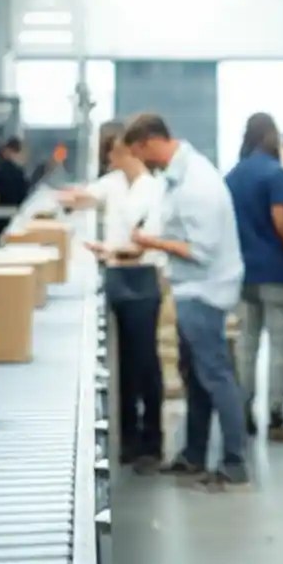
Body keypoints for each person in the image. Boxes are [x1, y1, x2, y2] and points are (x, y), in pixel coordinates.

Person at [123, 113, 250, 489]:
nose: (140, 163)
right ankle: (194, 455)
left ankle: (234, 462)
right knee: (195, 378)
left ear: (149, 142)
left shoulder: (198, 184)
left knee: (215, 375)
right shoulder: (177, 178)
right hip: (190, 289)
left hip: (206, 292)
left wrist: (150, 243)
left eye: (138, 153)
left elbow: (202, 250)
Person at [59, 122, 167, 471]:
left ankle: (152, 440)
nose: (109, 158)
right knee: (125, 364)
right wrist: (67, 198)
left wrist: (110, 251)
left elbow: (143, 244)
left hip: (142, 277)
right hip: (118, 275)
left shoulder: (153, 189)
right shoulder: (114, 183)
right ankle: (128, 442)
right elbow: (88, 196)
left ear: (127, 151)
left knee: (145, 362)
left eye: (113, 151)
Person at [225, 113, 283, 444]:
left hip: (244, 273)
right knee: (281, 349)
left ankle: (244, 414)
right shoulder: (275, 173)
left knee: (247, 347)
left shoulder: (233, 175)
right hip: (278, 273)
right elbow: (281, 223)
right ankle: (278, 418)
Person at [0, 136, 30, 247]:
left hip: (1, 213)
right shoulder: (17, 171)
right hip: (12, 213)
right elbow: (23, 194)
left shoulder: (0, 169)